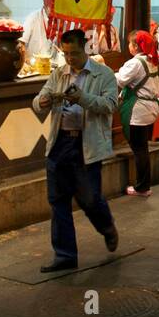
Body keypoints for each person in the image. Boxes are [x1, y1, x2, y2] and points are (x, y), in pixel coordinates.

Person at [32, 29, 120, 272]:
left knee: (89, 197)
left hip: (86, 143)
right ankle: (64, 254)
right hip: (60, 141)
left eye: (75, 53)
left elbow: (110, 105)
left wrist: (82, 98)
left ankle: (106, 227)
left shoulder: (103, 74)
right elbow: (38, 100)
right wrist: (42, 102)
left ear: (86, 47)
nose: (70, 58)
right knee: (57, 199)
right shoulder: (59, 73)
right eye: (66, 53)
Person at [116, 30, 159, 197]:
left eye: (129, 43)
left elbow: (120, 80)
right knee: (143, 148)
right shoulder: (152, 59)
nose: (128, 46)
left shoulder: (135, 63)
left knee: (139, 150)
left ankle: (142, 187)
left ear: (135, 46)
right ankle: (144, 184)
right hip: (151, 110)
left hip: (138, 111)